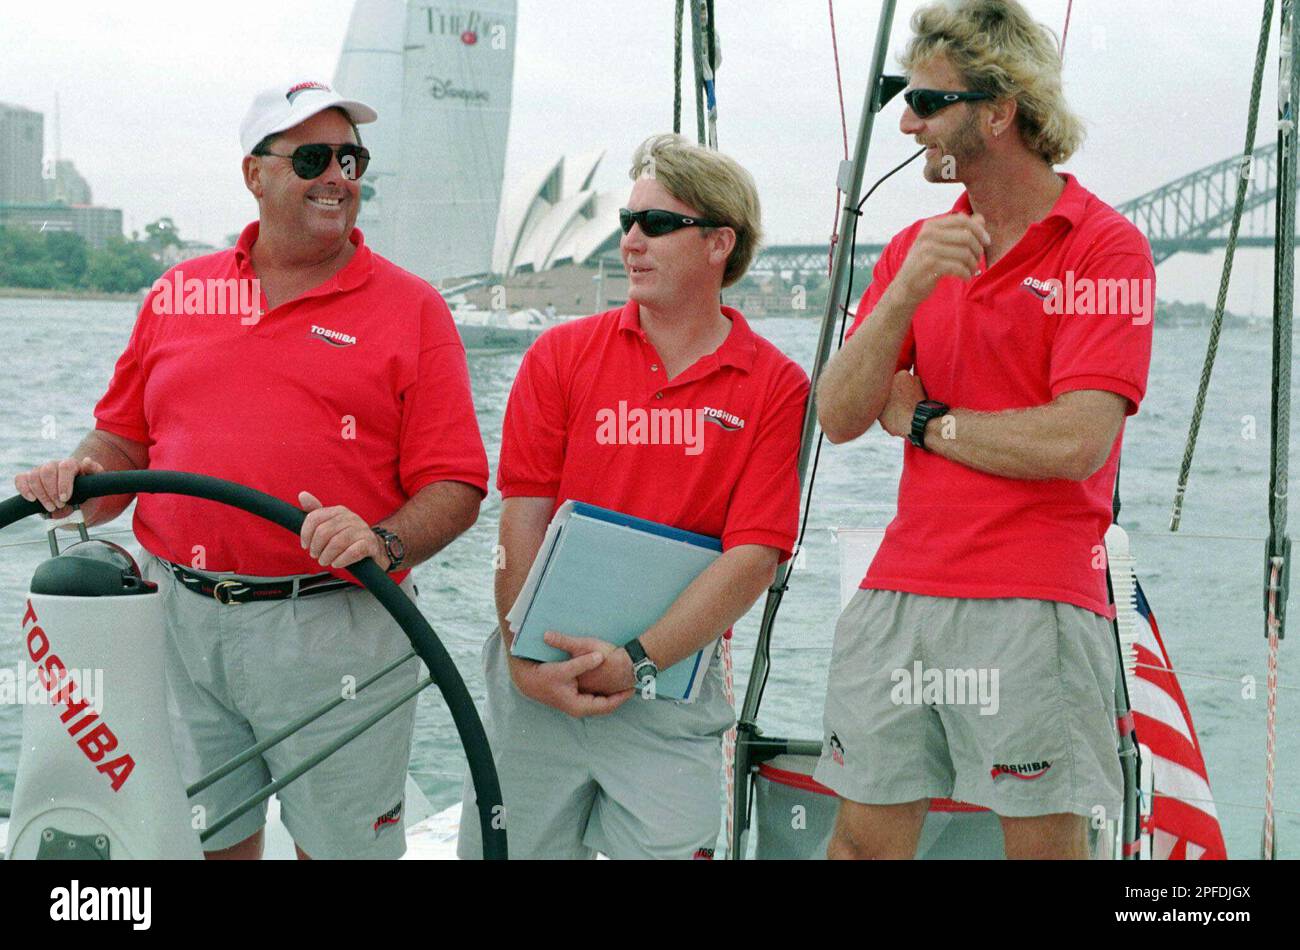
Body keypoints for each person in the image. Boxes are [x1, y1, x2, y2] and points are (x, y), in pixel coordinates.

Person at [13, 80, 488, 859]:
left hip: (337, 624)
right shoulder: (177, 293)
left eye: (350, 157)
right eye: (312, 157)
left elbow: (457, 483)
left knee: (343, 852)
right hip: (176, 619)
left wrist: (384, 542)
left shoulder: (412, 310)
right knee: (208, 838)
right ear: (255, 174)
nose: (338, 175)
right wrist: (75, 481)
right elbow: (122, 447)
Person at [813, 0, 1154, 859]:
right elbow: (841, 416)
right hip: (901, 590)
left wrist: (928, 422)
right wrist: (903, 291)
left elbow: (1076, 442)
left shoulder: (1104, 250)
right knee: (857, 847)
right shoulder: (916, 248)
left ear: (998, 113)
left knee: (1041, 851)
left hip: (1034, 600)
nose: (904, 121)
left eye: (926, 102)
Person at [457, 133, 809, 859]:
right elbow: (520, 511)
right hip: (536, 681)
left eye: (656, 224)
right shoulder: (558, 355)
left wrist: (640, 660)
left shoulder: (776, 386)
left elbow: (755, 554)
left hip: (668, 689)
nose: (629, 243)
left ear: (719, 243)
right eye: (625, 222)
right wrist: (525, 659)